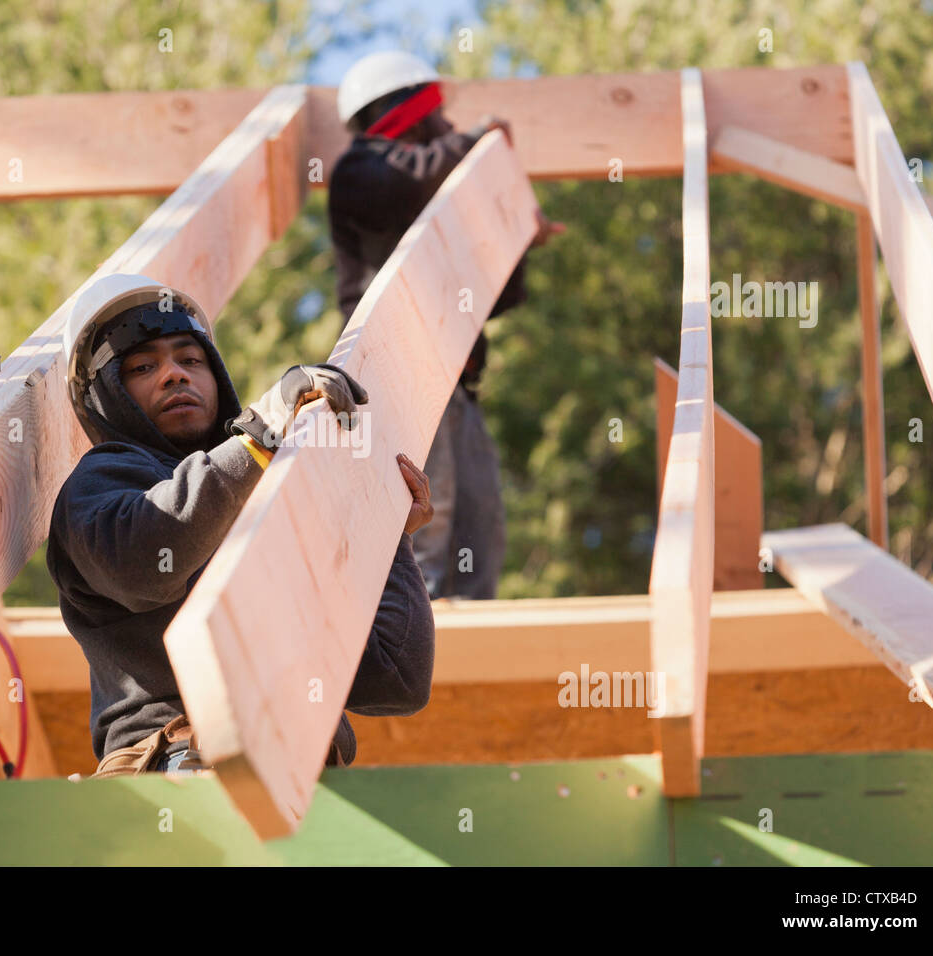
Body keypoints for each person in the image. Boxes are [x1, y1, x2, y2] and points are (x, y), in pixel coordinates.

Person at [46, 273, 436, 775]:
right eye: (143, 366)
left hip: (309, 789)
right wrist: (260, 435)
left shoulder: (275, 513)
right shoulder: (100, 484)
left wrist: (386, 539)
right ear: (104, 395)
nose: (174, 375)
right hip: (174, 777)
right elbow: (149, 561)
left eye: (190, 360)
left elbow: (395, 679)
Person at [328, 50, 564, 600]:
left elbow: (499, 297)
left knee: (480, 530)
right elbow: (408, 176)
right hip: (398, 378)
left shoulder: (432, 194)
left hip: (455, 384)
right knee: (424, 534)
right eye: (442, 116)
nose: (452, 127)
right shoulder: (361, 172)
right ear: (408, 113)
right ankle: (418, 639)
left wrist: (514, 237)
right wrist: (480, 144)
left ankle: (471, 643)